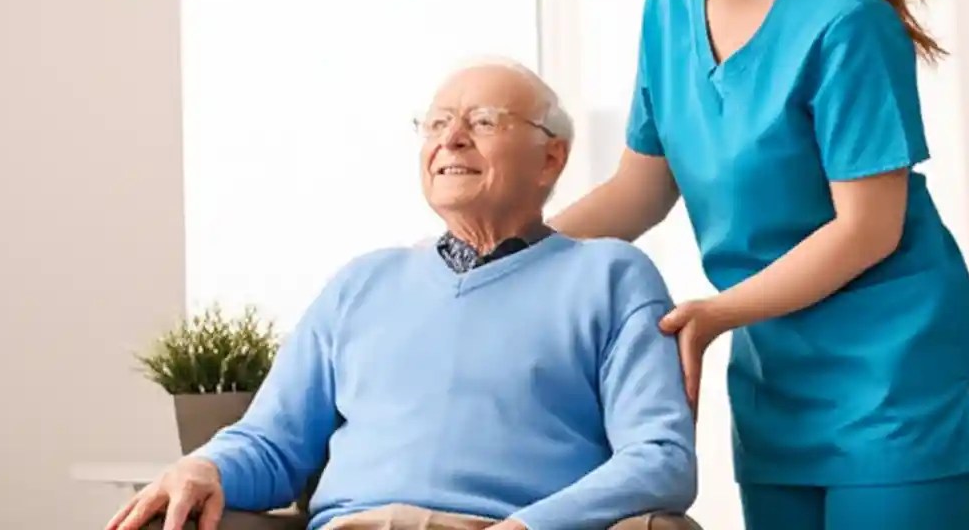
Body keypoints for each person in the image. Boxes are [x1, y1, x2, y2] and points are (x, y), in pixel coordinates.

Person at [548, 0, 969, 529]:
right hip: (780, 388)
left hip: (896, 381)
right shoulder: (669, 13)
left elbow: (869, 229)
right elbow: (640, 190)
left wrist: (716, 315)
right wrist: (515, 254)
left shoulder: (841, 19)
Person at [106, 61, 698, 530]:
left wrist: (528, 528)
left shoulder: (610, 277)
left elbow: (660, 457)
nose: (453, 140)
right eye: (437, 124)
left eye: (484, 122)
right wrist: (205, 464)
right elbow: (272, 443)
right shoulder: (361, 284)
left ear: (551, 158)